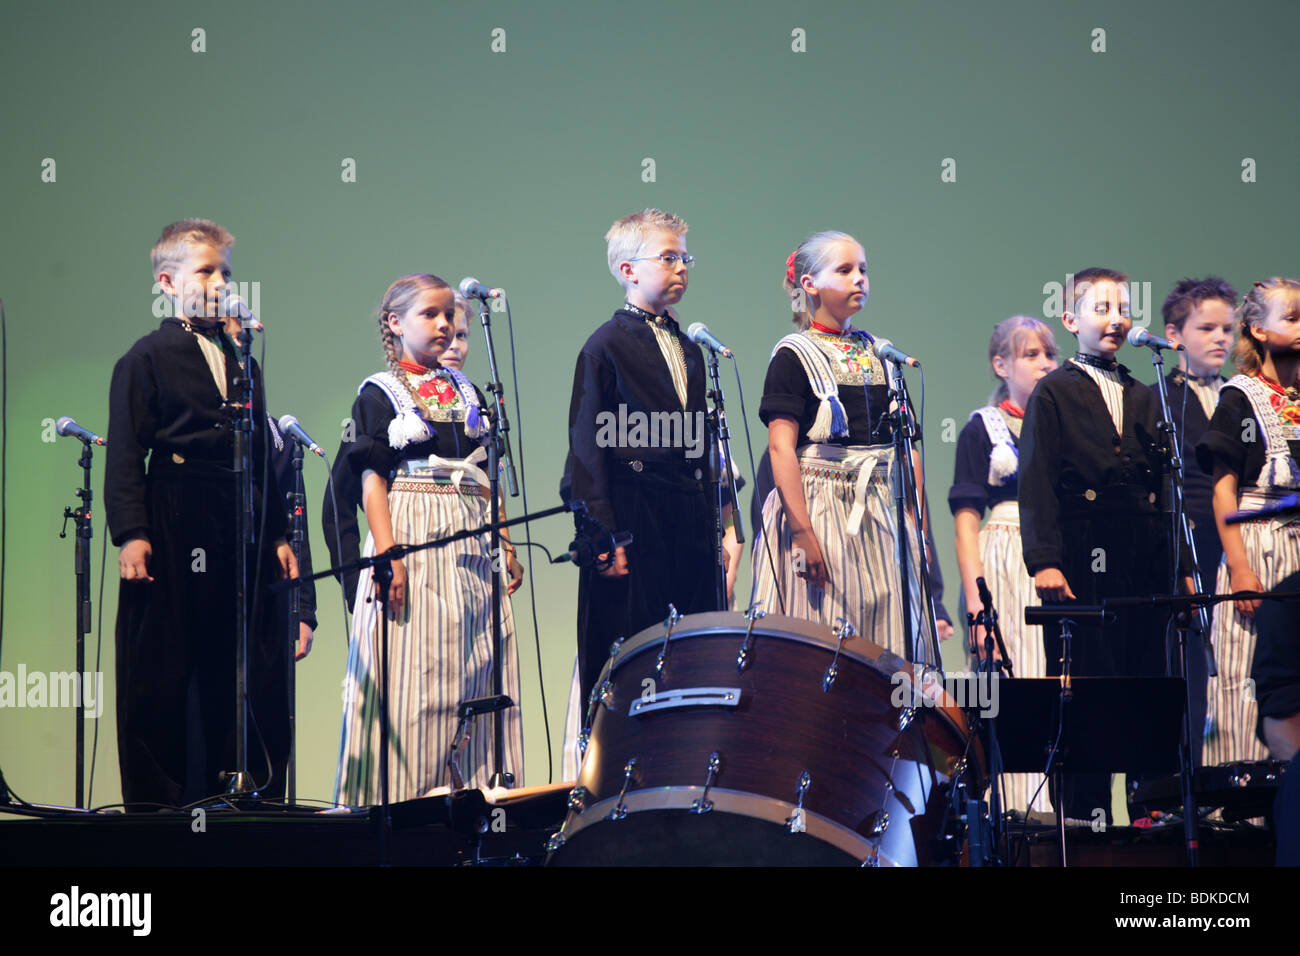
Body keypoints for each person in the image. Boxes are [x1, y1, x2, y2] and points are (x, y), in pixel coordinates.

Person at [106, 218, 297, 807]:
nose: (220, 282)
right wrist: (132, 533)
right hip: (174, 509)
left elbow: (262, 455)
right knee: (165, 664)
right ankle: (161, 799)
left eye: (227, 272)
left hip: (235, 516)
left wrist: (276, 535)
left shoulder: (242, 359)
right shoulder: (147, 356)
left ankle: (236, 787)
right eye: (206, 271)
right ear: (168, 281)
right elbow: (127, 449)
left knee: (231, 657)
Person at [332, 273, 524, 804]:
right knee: (419, 674)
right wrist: (389, 553)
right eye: (429, 315)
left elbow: (489, 475)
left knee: (480, 667)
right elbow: (372, 478)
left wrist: (504, 542)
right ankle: (402, 807)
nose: (443, 325)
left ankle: (480, 806)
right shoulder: (380, 391)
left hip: (471, 536)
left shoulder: (466, 389)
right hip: (412, 533)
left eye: (447, 316)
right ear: (395, 323)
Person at [1020, 267, 1193, 824]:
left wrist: (1183, 568)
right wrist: (1045, 561)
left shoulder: (1147, 395)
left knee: (1144, 683)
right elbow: (1037, 479)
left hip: (1142, 556)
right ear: (1070, 320)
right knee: (1086, 690)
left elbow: (1168, 489)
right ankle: (1084, 825)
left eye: (1122, 307)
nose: (1116, 318)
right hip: (1079, 554)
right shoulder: (1054, 391)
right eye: (1101, 308)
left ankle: (1151, 816)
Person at [752, 231, 940, 665]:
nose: (860, 279)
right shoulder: (793, 355)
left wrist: (920, 530)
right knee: (823, 631)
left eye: (863, 270)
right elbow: (782, 449)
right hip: (819, 506)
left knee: (894, 631)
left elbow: (907, 451)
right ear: (810, 285)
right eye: (845, 270)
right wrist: (802, 533)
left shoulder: (882, 354)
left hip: (881, 509)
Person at [561, 209, 719, 707]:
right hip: (634, 518)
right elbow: (586, 450)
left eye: (685, 258)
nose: (681, 267)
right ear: (629, 270)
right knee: (634, 650)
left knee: (692, 650)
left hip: (687, 520)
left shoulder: (691, 350)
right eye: (668, 257)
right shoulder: (604, 345)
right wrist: (603, 535)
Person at [950, 315, 1058, 815]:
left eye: (1049, 355)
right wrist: (977, 605)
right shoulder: (983, 428)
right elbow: (966, 523)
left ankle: (1063, 817)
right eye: (1030, 355)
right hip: (1006, 561)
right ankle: (1016, 817)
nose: (1044, 364)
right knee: (1011, 687)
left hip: (1055, 561)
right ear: (1001, 364)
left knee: (1055, 684)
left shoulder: (1062, 427)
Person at [1196, 278, 1300, 767]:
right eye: (1293, 317)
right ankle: (1237, 815)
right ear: (1257, 329)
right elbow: (1224, 489)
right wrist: (1239, 568)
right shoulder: (1240, 398)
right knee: (1245, 672)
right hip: (1257, 540)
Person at [1156, 276, 1237, 766]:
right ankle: (1180, 785)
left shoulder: (1239, 396)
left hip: (1239, 545)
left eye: (1227, 328)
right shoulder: (1160, 397)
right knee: (1187, 668)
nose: (1220, 338)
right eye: (1206, 327)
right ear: (1174, 335)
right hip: (1188, 547)